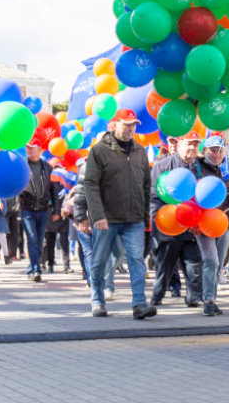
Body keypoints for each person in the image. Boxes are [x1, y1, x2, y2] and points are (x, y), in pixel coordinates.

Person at [82, 109, 157, 320]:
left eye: (133, 125)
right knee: (99, 259)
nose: (131, 128)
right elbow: (90, 184)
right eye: (126, 124)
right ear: (115, 124)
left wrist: (144, 218)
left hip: (133, 218)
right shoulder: (99, 151)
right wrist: (97, 215)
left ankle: (139, 304)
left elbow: (145, 185)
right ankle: (97, 301)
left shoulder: (140, 152)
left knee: (136, 259)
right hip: (107, 217)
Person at [149, 133, 205, 308]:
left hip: (191, 226)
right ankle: (157, 297)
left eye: (196, 145)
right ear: (179, 144)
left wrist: (199, 220)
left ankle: (193, 297)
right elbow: (154, 195)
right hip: (169, 226)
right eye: (189, 144)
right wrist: (158, 218)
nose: (193, 148)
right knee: (165, 265)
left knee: (193, 263)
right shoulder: (162, 165)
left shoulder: (199, 168)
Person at [192, 133, 229, 316]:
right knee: (211, 261)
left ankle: (212, 298)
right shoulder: (196, 169)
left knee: (219, 263)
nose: (216, 153)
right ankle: (207, 300)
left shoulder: (227, 171)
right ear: (205, 150)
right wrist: (194, 221)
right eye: (213, 149)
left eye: (220, 150)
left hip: (225, 224)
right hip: (204, 225)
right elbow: (189, 197)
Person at [11, 138, 57, 282]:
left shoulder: (47, 167)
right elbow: (13, 184)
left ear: (39, 149)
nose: (29, 150)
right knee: (31, 238)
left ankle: (32, 266)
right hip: (27, 208)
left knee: (39, 240)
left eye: (32, 147)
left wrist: (56, 210)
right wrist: (19, 190)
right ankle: (36, 270)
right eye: (28, 148)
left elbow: (54, 190)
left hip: (43, 209)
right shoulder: (22, 165)